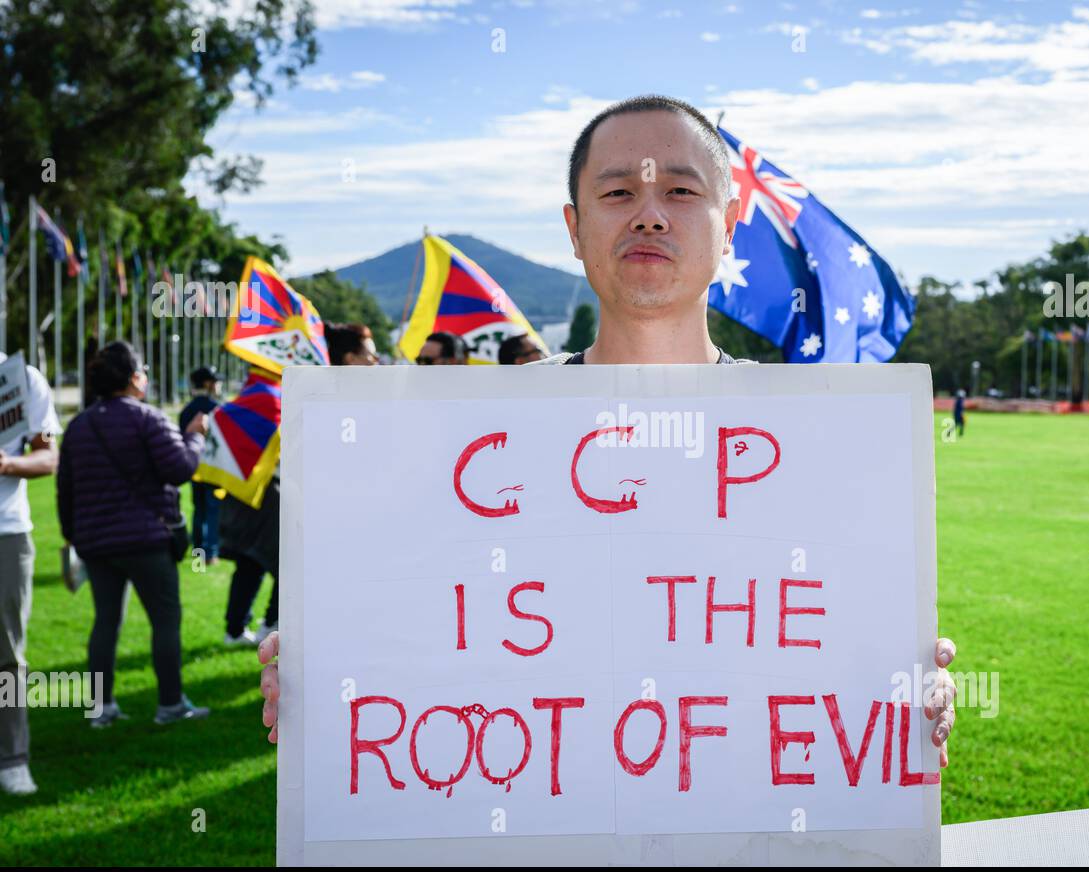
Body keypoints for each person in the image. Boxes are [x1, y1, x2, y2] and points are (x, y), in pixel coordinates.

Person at [258, 94, 959, 768]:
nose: (650, 216)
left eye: (682, 192)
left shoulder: (812, 442)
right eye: (619, 193)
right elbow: (422, 620)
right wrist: (329, 663)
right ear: (573, 227)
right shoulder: (473, 438)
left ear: (732, 221)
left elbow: (833, 642)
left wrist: (901, 691)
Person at [56, 342, 210, 727]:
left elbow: (65, 490)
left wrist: (73, 536)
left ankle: (101, 707)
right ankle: (171, 705)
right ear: (133, 378)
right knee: (165, 620)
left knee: (105, 621)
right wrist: (195, 437)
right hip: (146, 539)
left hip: (95, 542)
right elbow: (179, 469)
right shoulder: (148, 418)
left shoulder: (78, 426)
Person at [0, 351, 61, 796]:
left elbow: (48, 457)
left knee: (6, 654)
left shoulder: (21, 378)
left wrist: (6, 464)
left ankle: (12, 758)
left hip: (7, 531)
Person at [219, 466, 280, 648]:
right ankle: (270, 623)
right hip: (270, 495)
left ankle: (235, 630)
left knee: (248, 567)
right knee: (286, 569)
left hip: (247, 492)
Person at [179, 366, 223, 564]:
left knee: (199, 510)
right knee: (213, 509)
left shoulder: (186, 411)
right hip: (214, 467)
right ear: (208, 383)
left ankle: (199, 553)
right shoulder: (217, 409)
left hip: (193, 465)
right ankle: (210, 553)